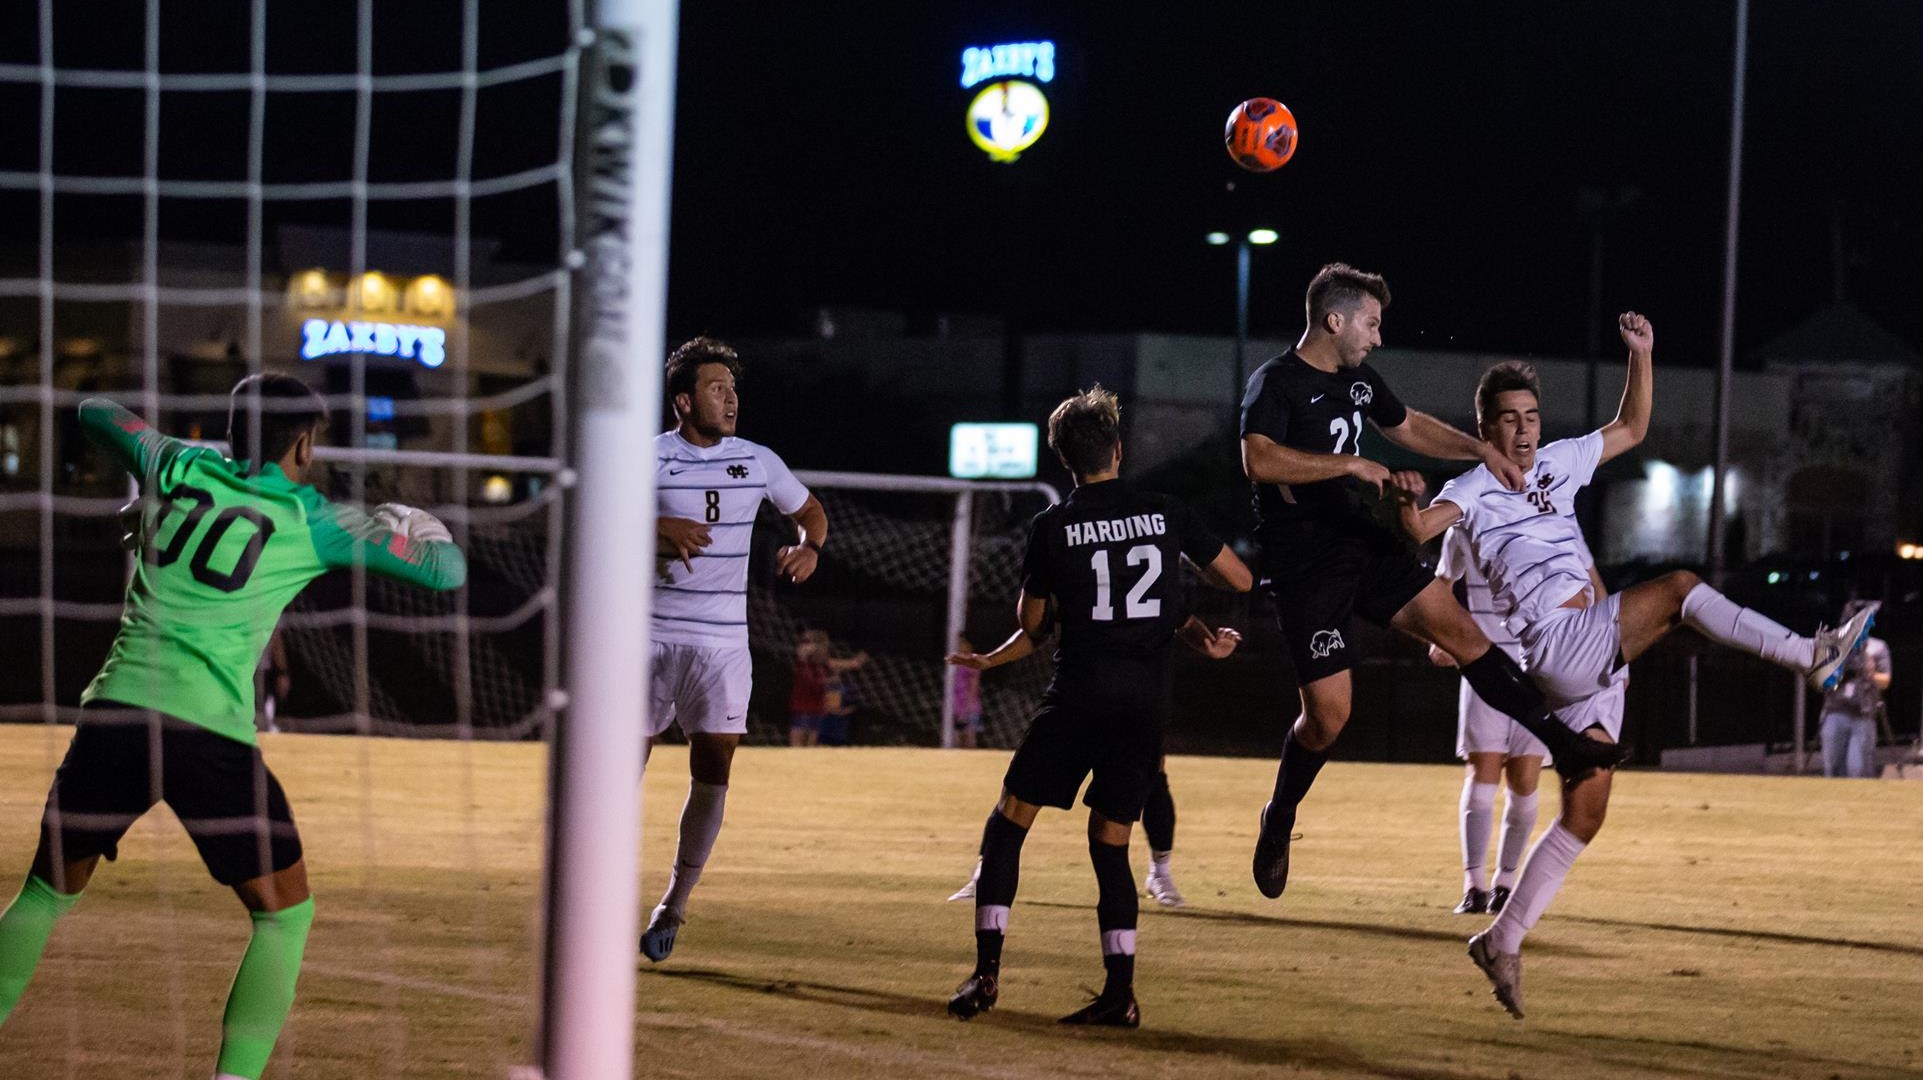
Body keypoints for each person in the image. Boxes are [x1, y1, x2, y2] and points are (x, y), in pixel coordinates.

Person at [1389, 312, 1877, 1018]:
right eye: (1507, 420)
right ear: (1484, 428)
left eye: (1530, 416)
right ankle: (1811, 656)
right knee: (1680, 590)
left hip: (1589, 657)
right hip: (1558, 644)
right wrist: (1406, 502)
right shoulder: (1470, 489)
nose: (1523, 430)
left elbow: (1630, 428)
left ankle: (1502, 939)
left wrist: (1641, 354)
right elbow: (1421, 528)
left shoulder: (1557, 461)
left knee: (1582, 819)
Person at [0, 375, 466, 1080]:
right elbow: (445, 574)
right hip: (207, 737)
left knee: (45, 891)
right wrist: (419, 524)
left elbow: (94, 410)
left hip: (115, 715)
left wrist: (150, 484)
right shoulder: (316, 519)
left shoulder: (175, 465)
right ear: (304, 442)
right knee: (284, 916)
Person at [1239, 262, 1625, 902]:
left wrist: (1480, 450)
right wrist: (1353, 464)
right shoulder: (1274, 383)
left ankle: (1566, 745)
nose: (1377, 337)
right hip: (1307, 566)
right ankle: (1279, 815)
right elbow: (1258, 458)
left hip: (1365, 545)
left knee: (1463, 631)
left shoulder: (1358, 382)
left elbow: (1409, 425)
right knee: (1329, 720)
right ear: (1334, 321)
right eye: (1371, 323)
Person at [943, 386, 1251, 1028]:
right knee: (1110, 844)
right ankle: (1120, 994)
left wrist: (988, 660)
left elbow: (1033, 628)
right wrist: (1201, 629)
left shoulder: (1052, 527)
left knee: (1008, 825)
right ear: (1119, 448)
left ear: (1065, 462)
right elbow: (1239, 579)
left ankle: (986, 974)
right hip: (1144, 707)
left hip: (1079, 697)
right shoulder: (1165, 512)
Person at [643, 337, 829, 963]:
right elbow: (590, 521)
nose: (729, 397)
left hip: (723, 643)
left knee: (713, 774)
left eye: (732, 388)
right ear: (682, 401)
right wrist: (654, 528)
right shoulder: (647, 460)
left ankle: (675, 901)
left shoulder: (757, 460)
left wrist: (809, 546)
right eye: (715, 387)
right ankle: (593, 896)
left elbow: (811, 512)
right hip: (647, 635)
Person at [1433, 531, 1622, 915]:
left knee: (1524, 778)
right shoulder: (1464, 520)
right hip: (1482, 662)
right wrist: (1442, 635)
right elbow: (1442, 582)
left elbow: (1592, 590)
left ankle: (1505, 883)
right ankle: (1474, 886)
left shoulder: (1551, 517)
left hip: (1540, 665)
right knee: (1482, 771)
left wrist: (1610, 655)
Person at [1820, 607, 1890, 779]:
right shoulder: (1833, 647)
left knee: (1857, 768)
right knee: (1832, 767)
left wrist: (1870, 672)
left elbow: (1885, 681)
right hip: (1835, 711)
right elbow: (1820, 678)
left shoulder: (1876, 647)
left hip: (1863, 714)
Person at [788, 630, 868, 748]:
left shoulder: (824, 663)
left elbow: (854, 664)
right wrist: (829, 680)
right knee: (797, 742)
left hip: (816, 707)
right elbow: (811, 677)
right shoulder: (803, 663)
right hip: (802, 707)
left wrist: (865, 653)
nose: (806, 646)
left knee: (811, 744)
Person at [950, 634, 985, 750]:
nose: (959, 646)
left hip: (969, 707)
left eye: (962, 643)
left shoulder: (972, 663)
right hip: (958, 706)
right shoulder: (957, 664)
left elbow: (974, 687)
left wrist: (966, 709)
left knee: (970, 739)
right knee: (958, 739)